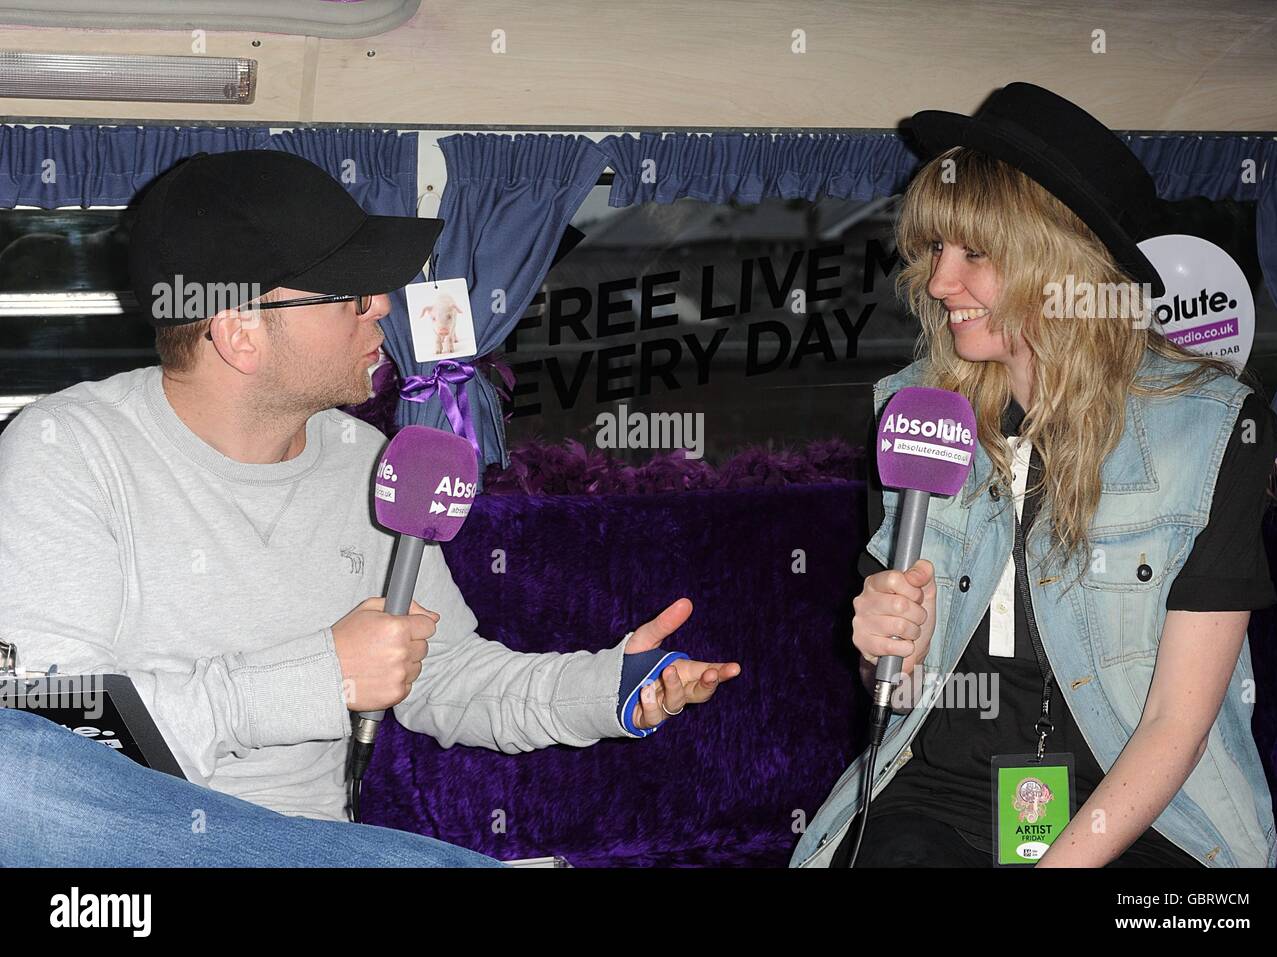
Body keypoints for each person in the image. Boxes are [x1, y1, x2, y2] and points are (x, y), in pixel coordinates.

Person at [0, 150, 740, 867]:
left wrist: (610, 686)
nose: (382, 306)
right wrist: (320, 677)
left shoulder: (367, 460)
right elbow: (50, 741)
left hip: (319, 845)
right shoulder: (69, 450)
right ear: (239, 333)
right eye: (350, 293)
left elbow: (445, 676)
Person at [792, 83, 1277, 868]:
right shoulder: (920, 410)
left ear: (1059, 259)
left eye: (974, 254)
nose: (940, 281)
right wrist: (884, 648)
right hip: (943, 796)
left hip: (1144, 816)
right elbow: (903, 698)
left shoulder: (1215, 432)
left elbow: (1174, 727)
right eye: (936, 250)